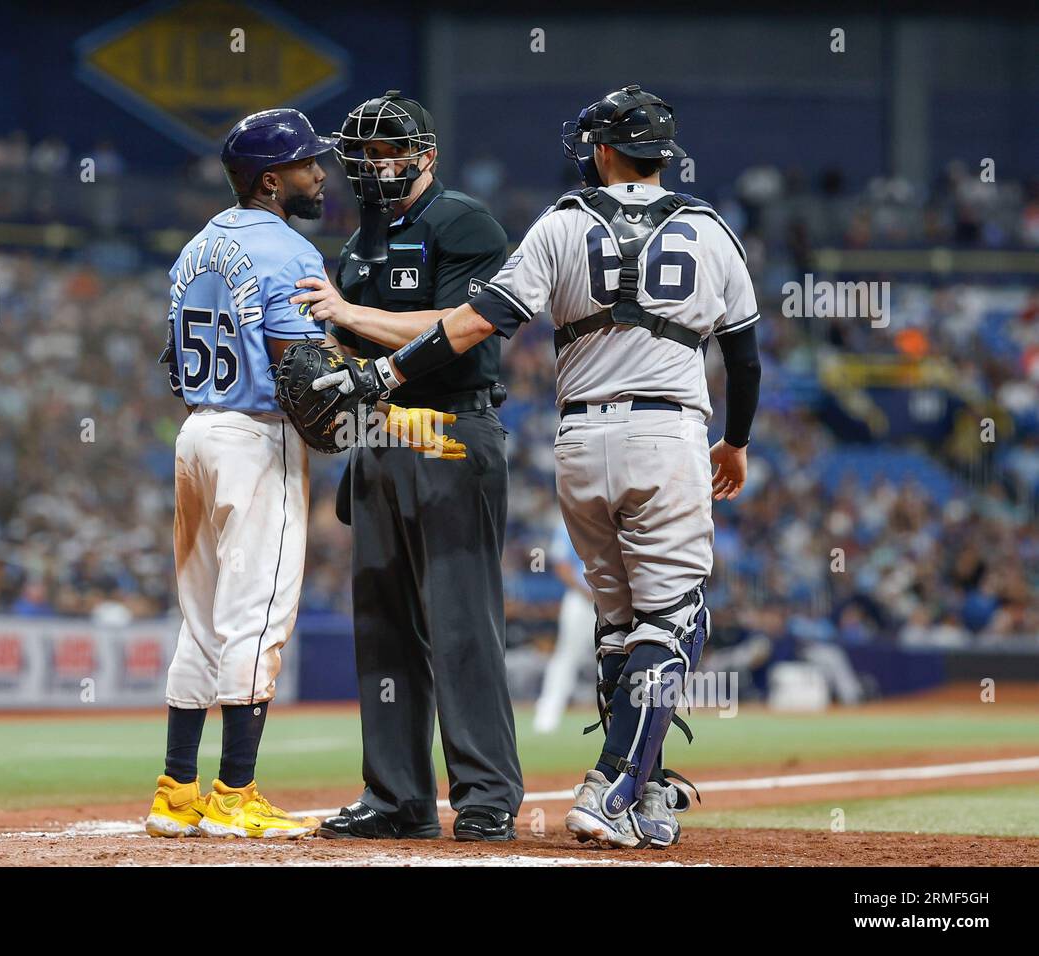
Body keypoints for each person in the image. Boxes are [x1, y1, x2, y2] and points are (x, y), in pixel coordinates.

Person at [310, 85, 763, 850]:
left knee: (617, 623)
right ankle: (618, 784)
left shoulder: (559, 221)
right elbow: (744, 356)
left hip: (579, 438)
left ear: (603, 150)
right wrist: (738, 441)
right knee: (671, 617)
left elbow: (481, 321)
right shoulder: (710, 227)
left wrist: (382, 373)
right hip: (667, 430)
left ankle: (630, 780)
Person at [290, 91, 524, 842]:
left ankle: (486, 796)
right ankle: (396, 798)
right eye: (363, 151)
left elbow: (459, 325)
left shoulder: (464, 221)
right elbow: (348, 347)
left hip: (452, 432)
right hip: (381, 438)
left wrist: (347, 316)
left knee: (461, 625)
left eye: (388, 149)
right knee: (382, 628)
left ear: (424, 154)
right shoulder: (363, 238)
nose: (373, 163)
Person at [142, 108, 340, 840]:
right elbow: (300, 371)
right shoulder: (289, 251)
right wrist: (372, 412)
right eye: (306, 164)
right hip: (256, 437)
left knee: (201, 618)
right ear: (269, 181)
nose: (320, 173)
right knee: (256, 617)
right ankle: (235, 793)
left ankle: (176, 788)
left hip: (195, 433)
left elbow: (172, 360)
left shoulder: (193, 248)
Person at [532, 524, 597, 734]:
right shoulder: (568, 521)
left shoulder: (615, 513)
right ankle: (548, 714)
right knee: (566, 656)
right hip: (580, 599)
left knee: (623, 656)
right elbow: (561, 566)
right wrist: (588, 593)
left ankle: (636, 715)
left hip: (613, 599)